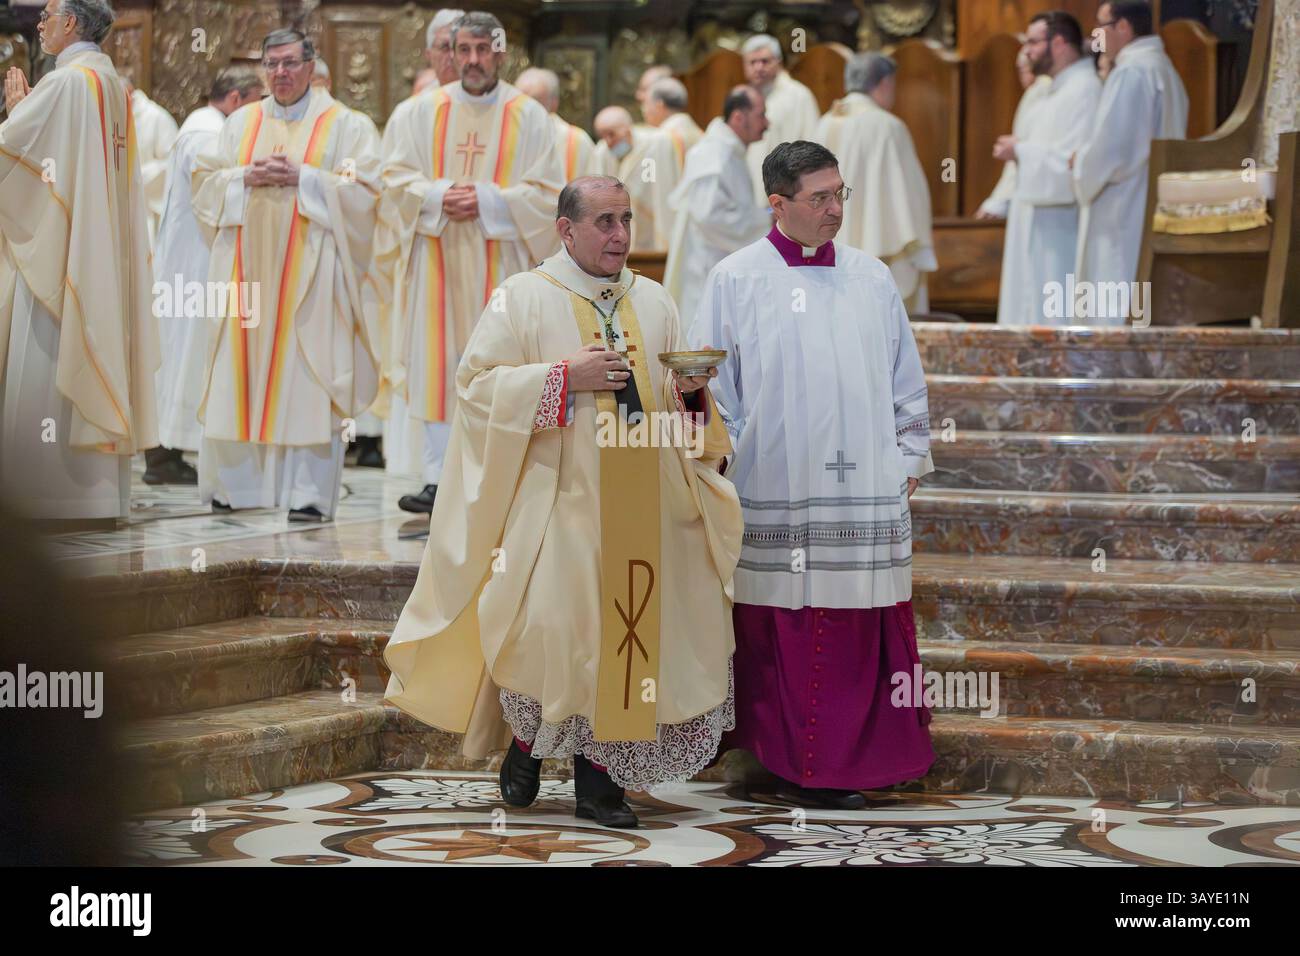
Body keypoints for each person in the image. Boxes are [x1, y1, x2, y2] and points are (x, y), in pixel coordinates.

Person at [384, 175, 742, 829]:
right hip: (560, 500)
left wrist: (689, 392)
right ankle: (527, 743)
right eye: (605, 222)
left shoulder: (655, 302)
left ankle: (599, 782)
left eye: (627, 220)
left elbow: (683, 423)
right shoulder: (522, 298)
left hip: (647, 503)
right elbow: (475, 388)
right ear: (566, 229)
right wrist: (559, 378)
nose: (620, 235)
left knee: (631, 637)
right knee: (555, 635)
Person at [691, 141, 935, 810]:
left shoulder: (872, 276)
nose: (835, 210)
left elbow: (902, 375)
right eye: (819, 198)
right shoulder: (735, 278)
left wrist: (910, 452)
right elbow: (717, 389)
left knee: (859, 624)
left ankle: (857, 761)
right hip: (772, 482)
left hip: (864, 484)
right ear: (778, 204)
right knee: (780, 625)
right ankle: (790, 761)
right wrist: (721, 459)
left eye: (840, 195)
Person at [191, 29, 382, 522]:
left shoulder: (347, 126)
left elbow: (367, 192)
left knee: (310, 380)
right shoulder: (241, 123)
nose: (280, 73)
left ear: (311, 65)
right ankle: (238, 489)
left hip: (312, 282)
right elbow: (204, 185)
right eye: (271, 64)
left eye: (290, 63)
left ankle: (308, 496)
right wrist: (245, 177)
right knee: (238, 374)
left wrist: (307, 178)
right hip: (245, 275)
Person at [375, 11, 561, 515]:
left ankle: (503, 470)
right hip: (435, 261)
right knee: (437, 365)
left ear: (501, 53)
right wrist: (435, 196)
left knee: (502, 362)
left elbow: (549, 194)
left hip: (503, 266)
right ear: (450, 53)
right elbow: (390, 180)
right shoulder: (417, 113)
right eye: (465, 50)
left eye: (484, 49)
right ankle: (438, 479)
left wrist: (487, 199)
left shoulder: (530, 116)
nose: (474, 60)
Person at [0, 0, 159, 526]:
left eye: (46, 15)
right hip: (95, 253)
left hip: (60, 250)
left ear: (71, 22)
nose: (39, 24)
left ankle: (48, 496)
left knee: (47, 351)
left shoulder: (67, 84)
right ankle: (94, 498)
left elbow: (17, 154)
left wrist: (16, 111)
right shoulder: (110, 84)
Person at [150, 66, 264, 481]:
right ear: (236, 99)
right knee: (183, 354)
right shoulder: (205, 131)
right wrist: (254, 177)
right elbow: (209, 189)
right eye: (255, 103)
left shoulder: (208, 127)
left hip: (200, 258)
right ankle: (162, 456)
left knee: (190, 353)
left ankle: (174, 451)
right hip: (193, 263)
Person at [1073, 0, 1188, 320]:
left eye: (1101, 26)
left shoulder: (1132, 73)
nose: (1096, 36)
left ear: (1123, 27)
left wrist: (1080, 162)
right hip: (1149, 201)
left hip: (1122, 209)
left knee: (1113, 306)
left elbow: (1113, 151)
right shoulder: (1164, 69)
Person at [994, 11, 1100, 325]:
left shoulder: (1086, 89)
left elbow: (1077, 163)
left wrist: (1022, 151)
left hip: (1061, 224)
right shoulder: (1046, 92)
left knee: (1055, 311)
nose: (1026, 50)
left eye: (1033, 42)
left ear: (1060, 43)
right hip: (1032, 218)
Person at [815, 52, 937, 314]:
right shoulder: (886, 125)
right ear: (885, 83)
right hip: (877, 251)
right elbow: (908, 197)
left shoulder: (824, 123)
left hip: (826, 255)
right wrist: (914, 246)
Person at [663, 85, 771, 313]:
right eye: (761, 115)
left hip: (723, 264)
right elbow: (710, 216)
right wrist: (764, 221)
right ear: (738, 117)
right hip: (707, 268)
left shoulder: (729, 151)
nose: (767, 123)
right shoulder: (714, 153)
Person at [741, 34, 819, 207]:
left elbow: (811, 147)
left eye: (765, 61)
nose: (758, 67)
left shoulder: (798, 96)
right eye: (752, 62)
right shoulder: (745, 98)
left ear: (778, 61)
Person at [976, 47, 1050, 220]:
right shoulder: (1036, 94)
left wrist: (998, 201)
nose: (1022, 77)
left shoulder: (1039, 92)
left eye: (1023, 70)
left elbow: (1021, 152)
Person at [637, 76, 704, 250]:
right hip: (697, 225)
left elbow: (646, 182)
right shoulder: (700, 134)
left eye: (646, 104)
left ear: (659, 105)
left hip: (666, 221)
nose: (644, 110)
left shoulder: (659, 138)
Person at [515, 66, 601, 182]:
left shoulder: (578, 141)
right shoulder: (503, 133)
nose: (526, 109)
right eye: (520, 100)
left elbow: (594, 192)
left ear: (554, 103)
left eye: (535, 101)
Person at [423, 8, 466, 88]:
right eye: (445, 47)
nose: (452, 55)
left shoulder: (492, 98)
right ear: (429, 55)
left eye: (462, 48)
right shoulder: (422, 99)